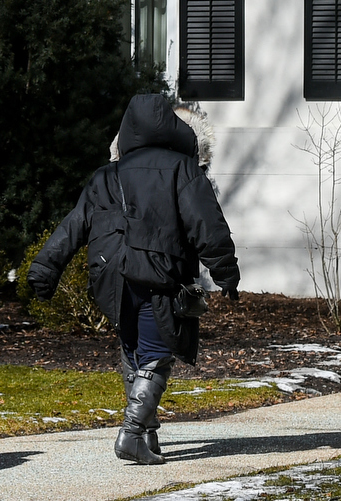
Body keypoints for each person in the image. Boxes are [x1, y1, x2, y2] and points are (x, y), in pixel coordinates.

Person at [26, 93, 240, 466]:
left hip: (110, 278)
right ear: (173, 129)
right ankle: (132, 434)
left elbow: (74, 225)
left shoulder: (107, 175)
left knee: (134, 353)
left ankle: (149, 434)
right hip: (158, 274)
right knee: (156, 356)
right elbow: (207, 226)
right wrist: (226, 273)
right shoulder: (182, 170)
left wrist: (45, 269)